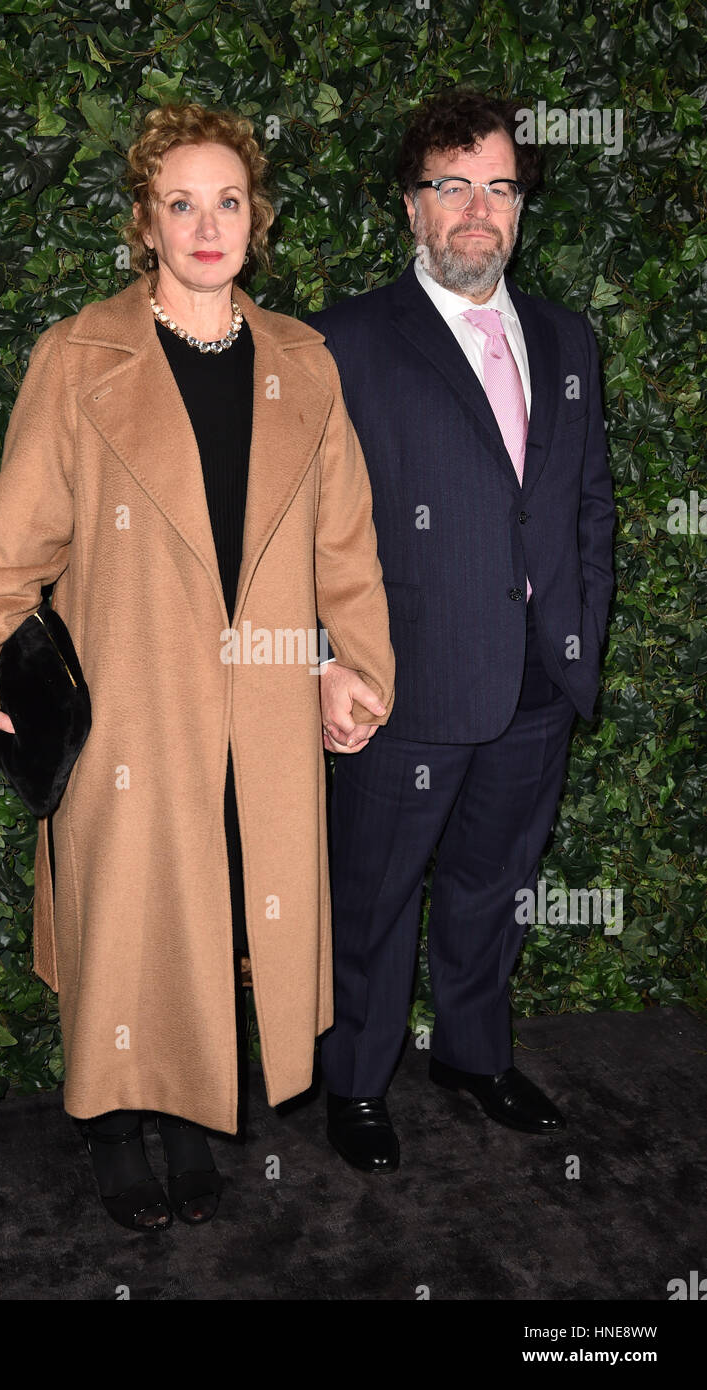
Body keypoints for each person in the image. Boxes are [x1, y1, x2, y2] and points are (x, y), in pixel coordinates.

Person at [0, 103, 394, 1230]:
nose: (206, 223)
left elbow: (345, 551)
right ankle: (112, 1121)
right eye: (180, 202)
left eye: (227, 201)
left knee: (228, 916)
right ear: (145, 223)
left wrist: (347, 665)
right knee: (131, 921)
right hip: (131, 707)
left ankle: (190, 1120)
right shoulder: (79, 355)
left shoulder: (304, 362)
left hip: (263, 710)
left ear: (255, 221)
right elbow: (13, 545)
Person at [306, 89, 615, 1172]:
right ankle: (354, 1081)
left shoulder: (569, 339)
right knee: (375, 898)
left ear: (519, 206)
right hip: (403, 688)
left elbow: (584, 507)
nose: (477, 210)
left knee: (497, 886)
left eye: (498, 186)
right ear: (411, 207)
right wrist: (321, 663)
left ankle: (473, 1055)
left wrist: (581, 637)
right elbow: (291, 526)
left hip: (538, 683)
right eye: (452, 186)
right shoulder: (341, 341)